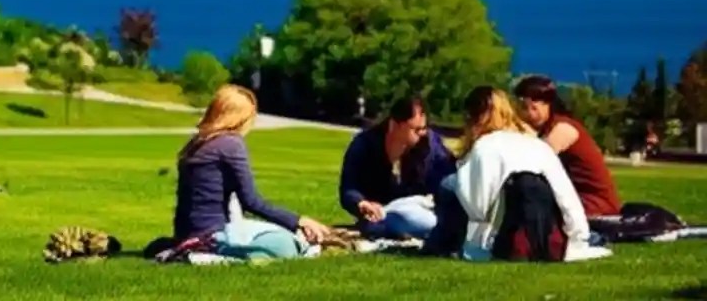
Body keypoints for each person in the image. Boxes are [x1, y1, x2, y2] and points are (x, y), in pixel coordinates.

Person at [172, 85, 330, 261]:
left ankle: (196, 252)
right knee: (286, 244)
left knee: (275, 236)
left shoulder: (196, 144)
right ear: (240, 118)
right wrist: (299, 221)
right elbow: (251, 201)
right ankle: (205, 256)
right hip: (211, 235)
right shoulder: (231, 144)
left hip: (186, 233)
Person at [442, 86, 599, 262]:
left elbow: (476, 204)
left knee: (449, 185)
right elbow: (566, 195)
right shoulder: (536, 146)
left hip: (503, 237)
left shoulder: (485, 147)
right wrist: (578, 237)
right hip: (546, 238)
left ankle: (441, 241)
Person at [338, 96, 456, 239]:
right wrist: (361, 203)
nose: (422, 133)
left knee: (429, 222)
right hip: (378, 214)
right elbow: (348, 187)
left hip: (417, 211)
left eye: (424, 128)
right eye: (416, 129)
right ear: (395, 124)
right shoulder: (364, 144)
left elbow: (447, 179)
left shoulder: (429, 146)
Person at [513, 75, 622, 218]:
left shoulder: (563, 128)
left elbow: (534, 162)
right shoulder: (547, 129)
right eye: (524, 108)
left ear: (549, 105)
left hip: (595, 203)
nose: (529, 114)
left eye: (534, 108)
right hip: (577, 197)